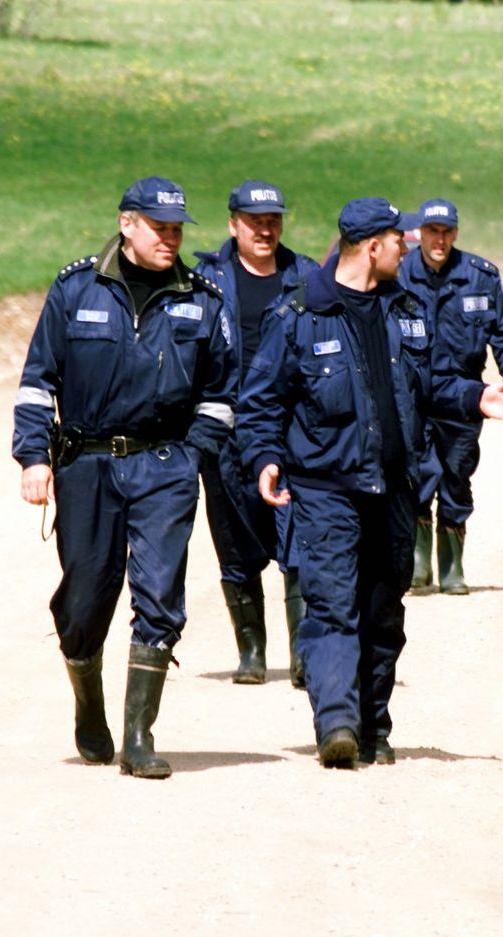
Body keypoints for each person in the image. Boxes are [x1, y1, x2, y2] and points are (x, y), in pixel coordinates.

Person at [237, 197, 503, 768]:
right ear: (373, 247)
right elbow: (261, 403)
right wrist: (265, 457)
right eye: (400, 238)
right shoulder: (298, 316)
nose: (410, 246)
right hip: (326, 488)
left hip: (394, 486)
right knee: (331, 607)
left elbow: (436, 383)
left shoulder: (407, 309)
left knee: (382, 611)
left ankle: (373, 725)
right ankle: (338, 724)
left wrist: (478, 396)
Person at [11, 176, 235, 781]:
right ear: (126, 224)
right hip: (86, 464)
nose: (171, 238)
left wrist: (194, 455)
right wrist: (34, 456)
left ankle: (139, 737)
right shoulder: (75, 288)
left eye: (178, 228)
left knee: (160, 593)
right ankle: (89, 702)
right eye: (159, 227)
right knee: (84, 599)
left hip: (165, 465)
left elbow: (221, 394)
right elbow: (38, 381)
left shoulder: (203, 298)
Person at [192, 180, 321, 687]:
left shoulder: (306, 275)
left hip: (290, 429)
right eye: (254, 221)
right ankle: (251, 651)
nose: (265, 230)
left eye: (273, 221)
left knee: (298, 538)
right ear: (233, 225)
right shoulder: (207, 279)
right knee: (233, 538)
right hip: (224, 430)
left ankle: (303, 654)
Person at [397, 198, 503, 595]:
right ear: (420, 232)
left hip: (464, 396)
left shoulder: (479, 276)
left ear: (455, 233)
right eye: (432, 231)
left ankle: (452, 566)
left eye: (446, 231)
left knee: (456, 475)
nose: (439, 239)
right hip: (414, 393)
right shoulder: (399, 273)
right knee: (416, 474)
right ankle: (417, 563)